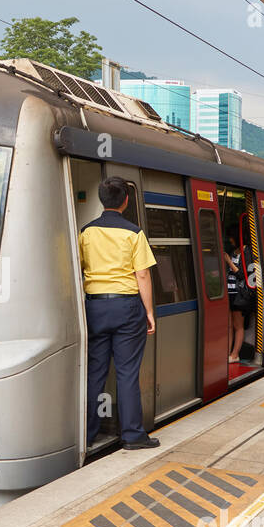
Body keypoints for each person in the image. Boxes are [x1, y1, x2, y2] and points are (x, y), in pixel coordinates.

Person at [78, 176, 159, 450]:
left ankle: (86, 435)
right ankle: (133, 435)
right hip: (126, 307)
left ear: (103, 200)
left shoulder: (85, 232)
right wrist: (149, 312)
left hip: (95, 307)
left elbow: (77, 269)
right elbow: (143, 275)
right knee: (126, 373)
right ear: (125, 201)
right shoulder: (133, 233)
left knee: (94, 373)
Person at [225, 235, 249, 364]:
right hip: (229, 292)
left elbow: (243, 274)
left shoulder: (248, 252)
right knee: (229, 326)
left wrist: (229, 262)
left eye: (231, 236)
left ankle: (235, 354)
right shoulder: (234, 252)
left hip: (239, 294)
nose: (230, 239)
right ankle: (227, 352)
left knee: (237, 325)